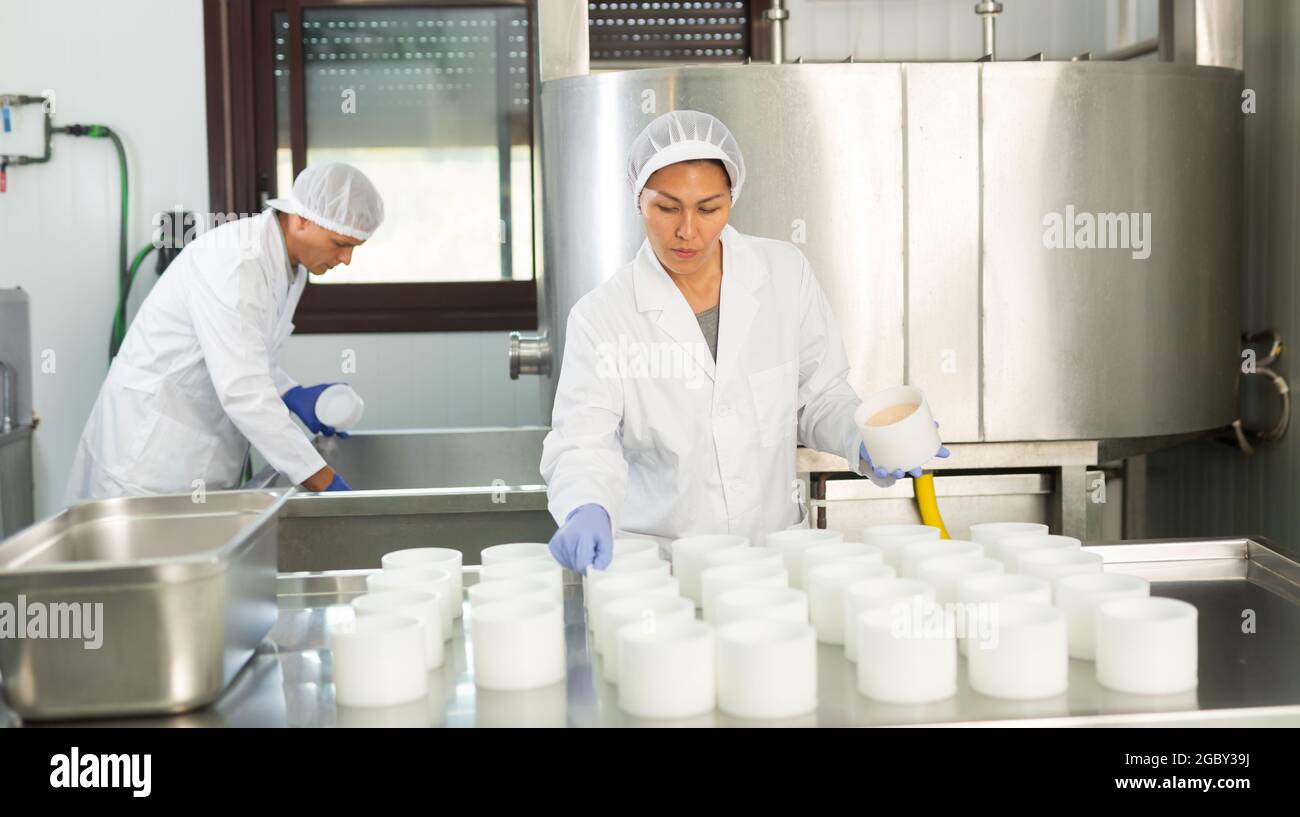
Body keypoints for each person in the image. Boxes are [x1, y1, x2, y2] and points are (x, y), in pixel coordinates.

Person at [540, 110, 948, 574]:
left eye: (708, 208)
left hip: (772, 560)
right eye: (667, 207)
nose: (687, 231)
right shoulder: (602, 317)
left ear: (732, 200)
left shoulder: (782, 274)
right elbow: (583, 443)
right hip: (663, 571)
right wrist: (586, 505)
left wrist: (863, 440)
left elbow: (816, 398)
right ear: (638, 200)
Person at [65, 162, 383, 502]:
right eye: (339, 243)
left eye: (355, 247)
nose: (347, 259)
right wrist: (322, 479)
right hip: (147, 460)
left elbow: (248, 357)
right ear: (301, 219)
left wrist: (292, 393)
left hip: (198, 459)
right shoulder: (235, 262)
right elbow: (243, 388)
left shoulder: (293, 270)